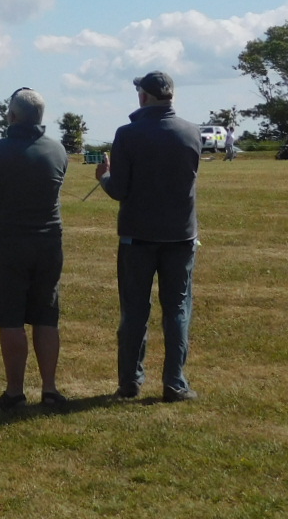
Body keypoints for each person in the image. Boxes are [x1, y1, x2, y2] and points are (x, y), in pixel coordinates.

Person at [96, 71, 202, 402]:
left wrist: (104, 176)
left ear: (144, 97)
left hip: (137, 237)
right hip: (181, 236)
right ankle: (175, 382)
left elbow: (119, 190)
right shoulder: (191, 132)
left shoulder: (128, 134)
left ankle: (130, 382)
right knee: (178, 309)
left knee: (134, 312)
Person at [0, 87, 69, 410]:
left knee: (10, 318)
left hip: (10, 242)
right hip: (50, 241)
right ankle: (50, 389)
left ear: (12, 116)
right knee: (46, 315)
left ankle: (15, 392)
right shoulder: (57, 150)